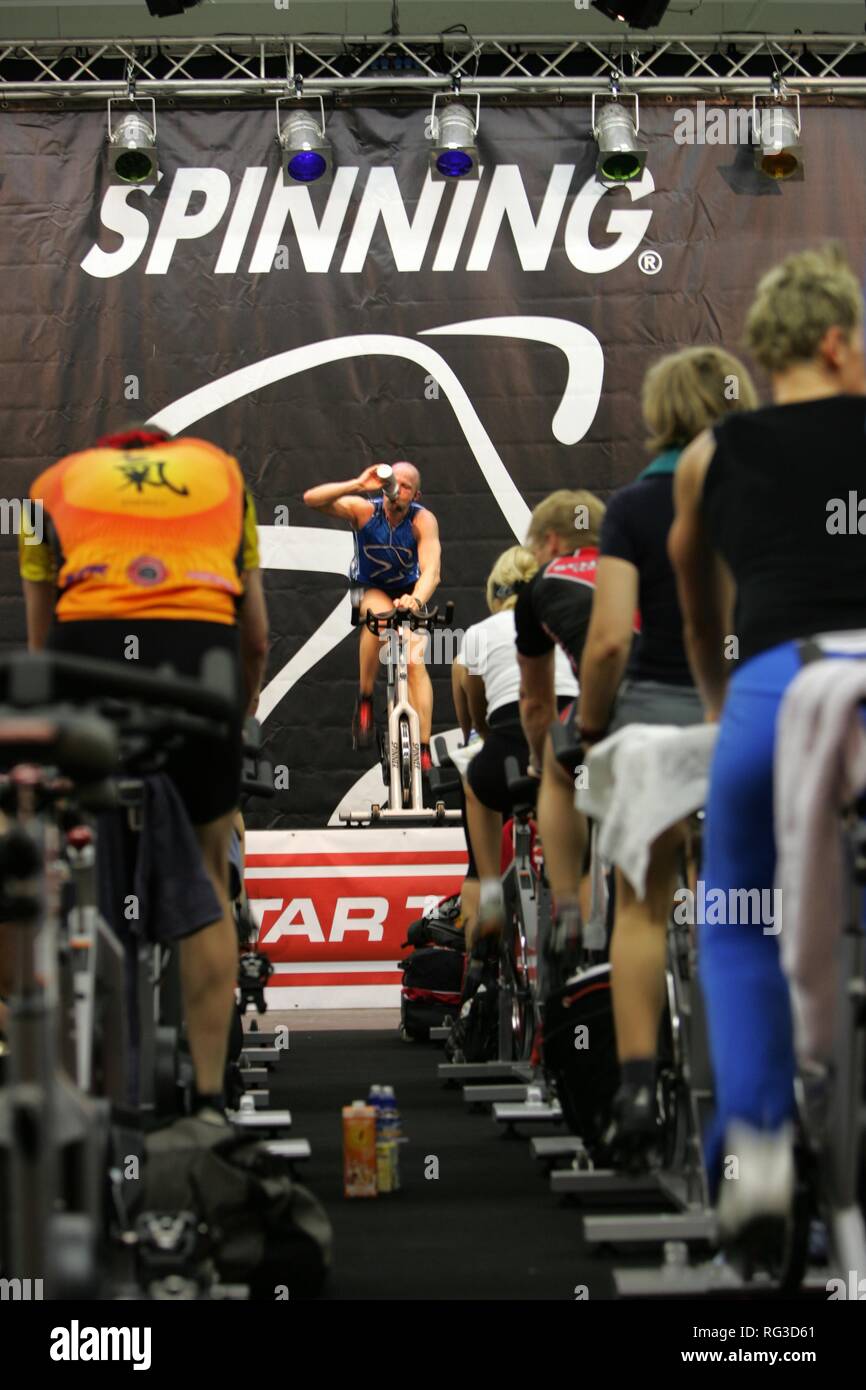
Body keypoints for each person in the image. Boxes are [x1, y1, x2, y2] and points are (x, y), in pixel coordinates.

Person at [669, 244, 866, 1241]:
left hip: (776, 690)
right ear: (835, 341)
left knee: (740, 915)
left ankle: (754, 1148)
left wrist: (718, 704)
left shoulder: (713, 455)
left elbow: (701, 619)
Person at [17, 422, 268, 1123]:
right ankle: (213, 1103)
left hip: (87, 656)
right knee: (212, 878)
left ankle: (74, 1073)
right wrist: (236, 722)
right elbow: (255, 638)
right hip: (200, 659)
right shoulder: (221, 472)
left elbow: (42, 648)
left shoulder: (55, 483)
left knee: (65, 859)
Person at [578, 347, 758, 1166]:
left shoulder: (634, 504)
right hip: (752, 716)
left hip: (655, 722)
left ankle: (639, 1087)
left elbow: (611, 639)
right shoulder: (772, 492)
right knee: (752, 897)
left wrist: (588, 726)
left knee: (642, 901)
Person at [454, 545, 579, 943]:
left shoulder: (478, 634)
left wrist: (490, 742)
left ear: (495, 592)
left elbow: (476, 715)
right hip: (570, 743)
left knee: (475, 784)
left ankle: (489, 889)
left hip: (510, 742)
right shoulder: (565, 623)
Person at [303, 461, 441, 768]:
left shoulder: (422, 520)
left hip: (407, 591)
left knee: (415, 659)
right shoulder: (366, 510)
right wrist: (356, 484)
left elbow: (431, 571)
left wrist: (416, 600)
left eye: (406, 487)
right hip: (368, 587)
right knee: (379, 621)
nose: (397, 491)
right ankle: (365, 698)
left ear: (416, 494)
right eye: (395, 483)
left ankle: (425, 747)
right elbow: (312, 499)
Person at [515, 489, 606, 954]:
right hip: (685, 701)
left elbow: (534, 702)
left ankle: (569, 905)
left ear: (551, 542)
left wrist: (536, 759)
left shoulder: (541, 585)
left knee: (555, 760)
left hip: (609, 706)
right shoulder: (639, 563)